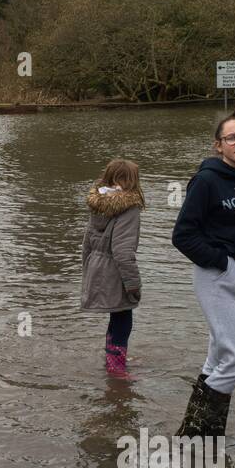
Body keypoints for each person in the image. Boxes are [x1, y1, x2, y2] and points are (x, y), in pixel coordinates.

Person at [171, 105, 235, 438]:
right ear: (218, 145)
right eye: (232, 137)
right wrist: (223, 264)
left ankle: (197, 441)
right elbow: (182, 235)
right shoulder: (206, 180)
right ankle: (198, 431)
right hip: (218, 274)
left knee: (219, 357)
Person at [80, 159, 144, 377]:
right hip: (115, 270)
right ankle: (116, 366)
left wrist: (87, 269)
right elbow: (123, 252)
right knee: (123, 317)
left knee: (116, 317)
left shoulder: (98, 201)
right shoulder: (130, 207)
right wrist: (133, 284)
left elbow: (87, 240)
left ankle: (113, 357)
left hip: (96, 264)